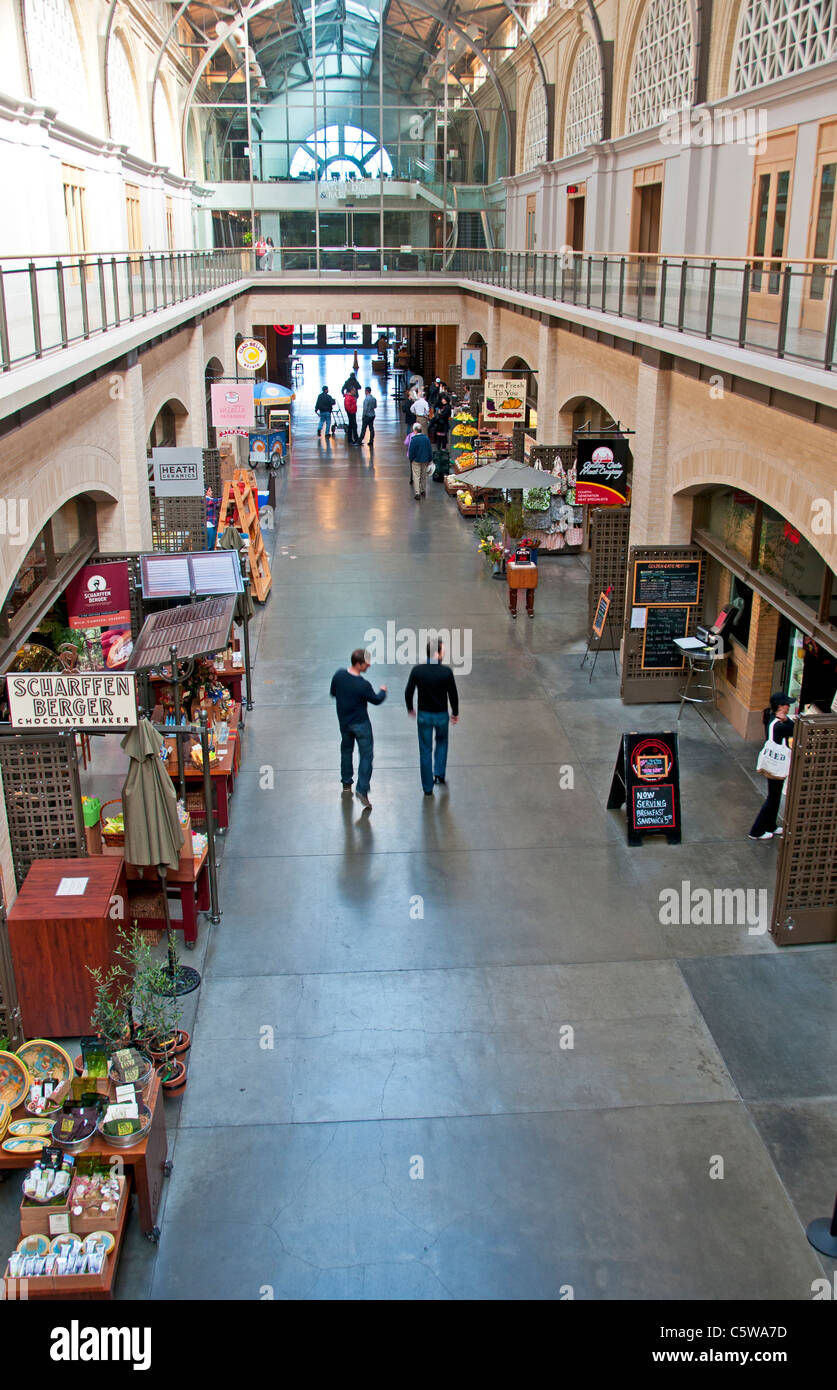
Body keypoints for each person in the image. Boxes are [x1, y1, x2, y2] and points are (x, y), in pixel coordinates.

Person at [329, 648, 387, 810]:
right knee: (367, 755)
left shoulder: (339, 675)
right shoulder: (363, 685)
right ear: (359, 664)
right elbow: (376, 700)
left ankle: (346, 782)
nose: (369, 665)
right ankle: (362, 789)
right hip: (361, 724)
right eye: (366, 664)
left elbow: (333, 693)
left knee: (346, 750)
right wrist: (383, 691)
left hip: (344, 723)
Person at [405, 638, 459, 795]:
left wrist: (410, 708)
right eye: (443, 650)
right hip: (441, 715)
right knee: (442, 742)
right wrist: (455, 712)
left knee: (425, 749)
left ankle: (427, 788)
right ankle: (439, 774)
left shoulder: (417, 671)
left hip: (424, 715)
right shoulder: (446, 672)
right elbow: (453, 695)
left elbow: (408, 692)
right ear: (436, 653)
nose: (445, 653)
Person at [749, 692, 794, 840]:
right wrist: (787, 720)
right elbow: (795, 729)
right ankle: (756, 831)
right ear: (780, 706)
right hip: (776, 766)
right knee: (773, 798)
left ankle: (771, 826)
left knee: (774, 797)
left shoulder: (770, 717)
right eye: (787, 704)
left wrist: (785, 719)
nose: (789, 706)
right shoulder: (780, 726)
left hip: (771, 764)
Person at [408, 422, 433, 498]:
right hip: (425, 460)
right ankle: (423, 490)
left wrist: (411, 459)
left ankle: (417, 492)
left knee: (416, 476)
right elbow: (429, 450)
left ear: (415, 431)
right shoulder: (426, 439)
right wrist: (430, 460)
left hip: (416, 460)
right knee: (423, 475)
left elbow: (411, 451)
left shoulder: (414, 440)